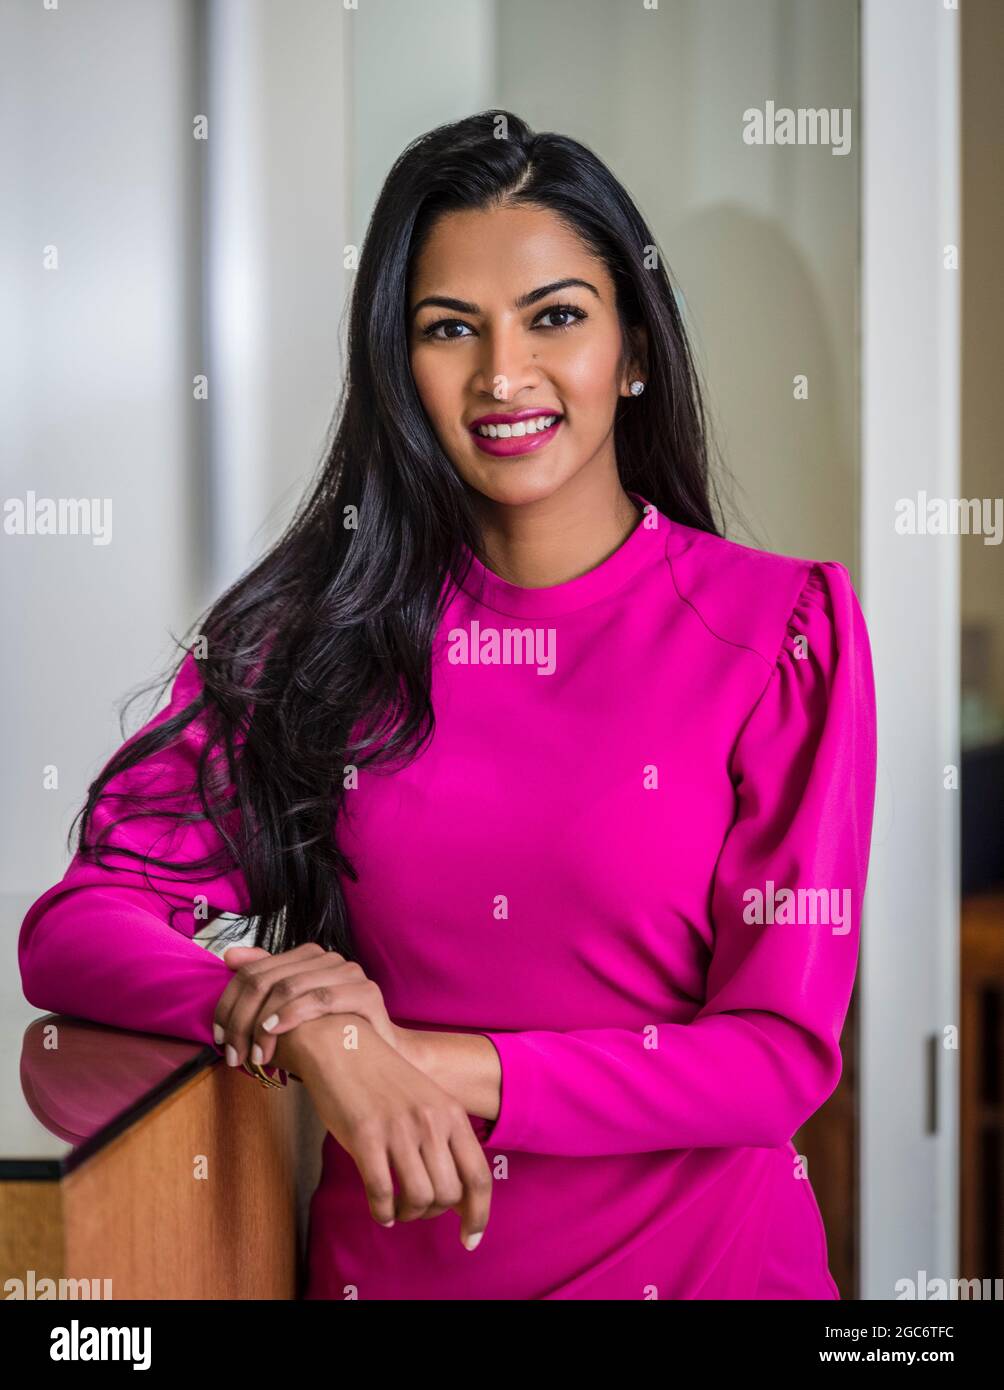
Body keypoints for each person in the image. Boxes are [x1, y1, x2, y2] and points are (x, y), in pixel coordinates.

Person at [18, 110, 877, 1300]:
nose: (502, 375)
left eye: (556, 317)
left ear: (632, 349)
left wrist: (406, 1056)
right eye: (448, 329)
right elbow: (76, 929)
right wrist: (293, 1021)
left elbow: (774, 1055)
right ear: (397, 367)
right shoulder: (307, 641)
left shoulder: (778, 630)